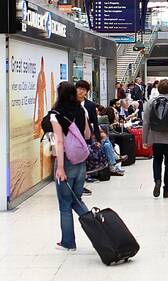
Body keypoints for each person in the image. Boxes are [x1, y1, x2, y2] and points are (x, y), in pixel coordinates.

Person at [47, 80, 92, 252]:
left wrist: (60, 168)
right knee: (76, 199)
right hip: (81, 160)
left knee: (65, 204)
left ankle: (68, 242)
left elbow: (59, 141)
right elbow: (87, 134)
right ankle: (96, 225)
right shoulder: (81, 109)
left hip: (66, 160)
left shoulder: (56, 114)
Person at [77, 79, 125, 177]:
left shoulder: (90, 105)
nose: (81, 91)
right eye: (79, 88)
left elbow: (94, 122)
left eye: (84, 89)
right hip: (76, 135)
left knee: (104, 144)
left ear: (87, 92)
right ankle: (114, 161)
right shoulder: (72, 104)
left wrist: (98, 139)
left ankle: (110, 164)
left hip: (88, 134)